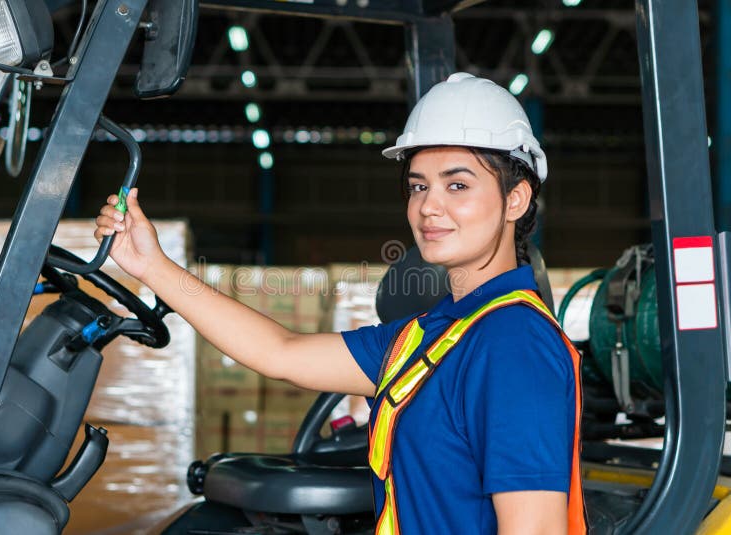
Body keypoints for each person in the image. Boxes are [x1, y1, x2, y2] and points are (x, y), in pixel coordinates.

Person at [94, 72, 586, 534]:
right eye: (418, 186)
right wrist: (152, 266)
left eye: (457, 185)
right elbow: (280, 351)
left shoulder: (513, 345)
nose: (428, 206)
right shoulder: (432, 335)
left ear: (516, 200)